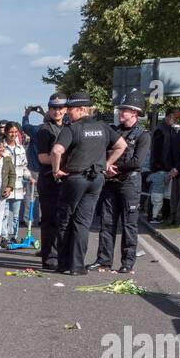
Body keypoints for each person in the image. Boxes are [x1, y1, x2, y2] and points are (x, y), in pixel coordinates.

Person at [50, 94, 125, 275]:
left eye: (71, 110)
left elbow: (56, 150)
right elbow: (121, 145)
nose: (68, 114)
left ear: (82, 109)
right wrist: (107, 163)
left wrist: (55, 170)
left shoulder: (72, 129)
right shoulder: (103, 127)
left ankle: (63, 264)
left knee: (65, 220)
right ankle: (77, 266)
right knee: (83, 222)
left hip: (75, 178)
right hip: (96, 179)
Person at [93, 89, 150, 274]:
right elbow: (102, 151)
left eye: (124, 109)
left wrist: (114, 168)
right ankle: (103, 260)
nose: (120, 112)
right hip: (110, 183)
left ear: (134, 112)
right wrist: (105, 166)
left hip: (129, 184)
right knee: (107, 223)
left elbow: (136, 162)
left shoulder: (142, 135)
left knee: (129, 225)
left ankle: (127, 262)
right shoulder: (113, 131)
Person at [27, 95, 67, 270]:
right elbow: (43, 157)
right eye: (53, 108)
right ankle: (49, 257)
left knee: (63, 220)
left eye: (60, 108)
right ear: (49, 109)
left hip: (66, 179)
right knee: (49, 220)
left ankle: (60, 254)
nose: (57, 111)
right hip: (49, 179)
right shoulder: (44, 129)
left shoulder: (69, 128)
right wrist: (64, 162)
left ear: (66, 109)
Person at [2, 121, 29, 244]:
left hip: (18, 186)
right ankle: (3, 236)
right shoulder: (1, 147)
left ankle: (14, 235)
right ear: (6, 133)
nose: (13, 134)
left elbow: (24, 166)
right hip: (4, 185)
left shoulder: (20, 148)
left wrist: (29, 177)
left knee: (15, 214)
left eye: (15, 132)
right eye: (10, 132)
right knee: (4, 213)